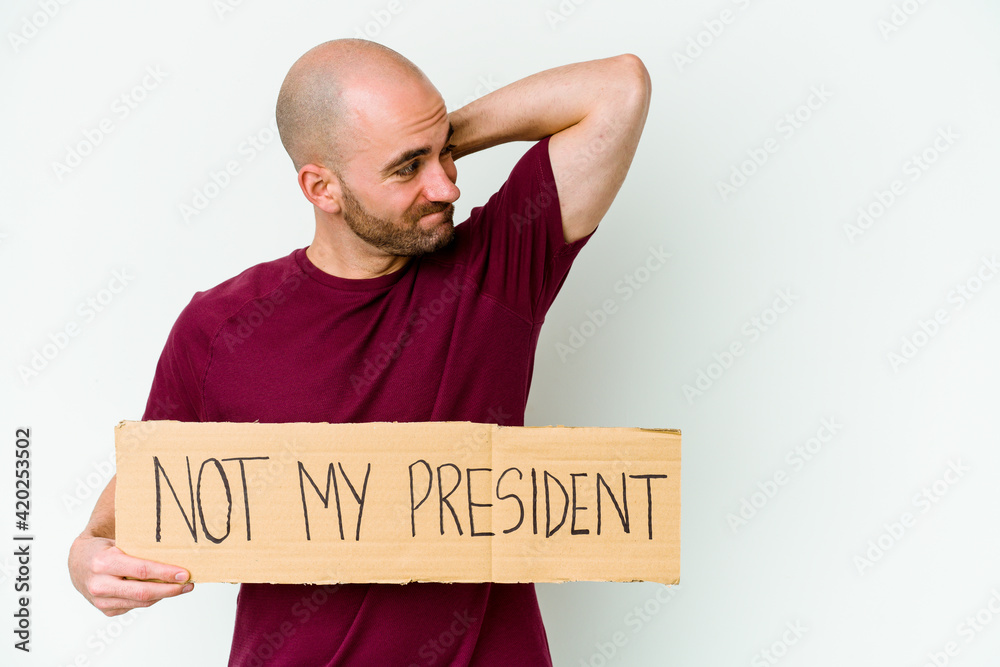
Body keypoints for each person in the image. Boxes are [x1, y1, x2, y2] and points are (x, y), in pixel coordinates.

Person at [68, 38, 650, 665]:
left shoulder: (497, 269)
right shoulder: (218, 328)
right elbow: (139, 503)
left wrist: (429, 139)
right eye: (407, 169)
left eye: (445, 158)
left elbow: (620, 87)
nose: (446, 188)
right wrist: (84, 557)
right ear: (322, 188)